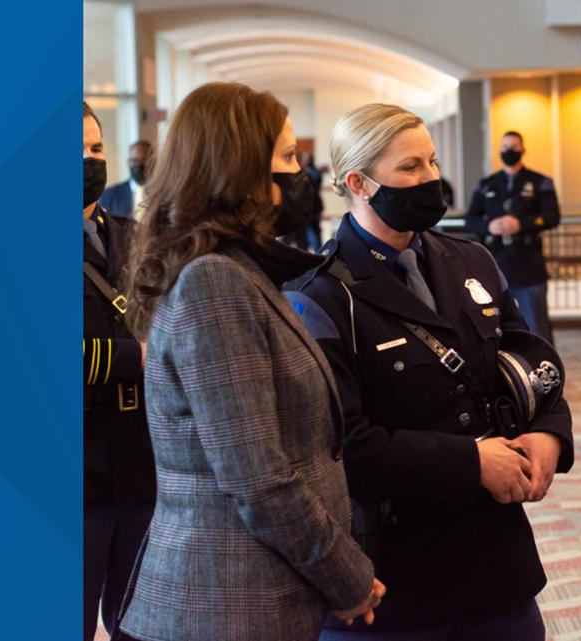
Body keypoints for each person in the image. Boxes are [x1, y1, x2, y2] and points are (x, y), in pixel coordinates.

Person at [284, 103, 574, 640]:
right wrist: (471, 462)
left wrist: (549, 433)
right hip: (397, 579)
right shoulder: (319, 294)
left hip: (496, 566)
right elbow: (341, 444)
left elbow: (532, 362)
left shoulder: (472, 261)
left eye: (433, 163)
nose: (431, 179)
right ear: (358, 183)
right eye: (410, 168)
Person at [118, 82, 383, 641]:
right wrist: (347, 577)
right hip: (222, 604)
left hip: (249, 600)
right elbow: (258, 476)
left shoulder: (235, 270)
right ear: (237, 171)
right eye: (286, 159)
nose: (299, 175)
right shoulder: (213, 281)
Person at [82, 101, 155, 641]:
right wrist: (140, 359)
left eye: (95, 149)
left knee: (142, 625)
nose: (89, 161)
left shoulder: (135, 236)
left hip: (142, 466)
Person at [464, 131, 561, 343]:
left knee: (537, 326)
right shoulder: (486, 184)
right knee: (493, 326)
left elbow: (552, 217)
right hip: (494, 266)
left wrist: (521, 224)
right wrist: (488, 226)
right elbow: (470, 218)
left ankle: (544, 370)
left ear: (523, 150)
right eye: (505, 147)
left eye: (514, 147)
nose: (509, 151)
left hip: (529, 267)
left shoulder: (540, 182)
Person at [98, 140, 153, 219]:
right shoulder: (109, 195)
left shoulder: (164, 194)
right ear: (128, 162)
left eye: (144, 160)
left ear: (153, 161)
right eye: (135, 160)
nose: (139, 165)